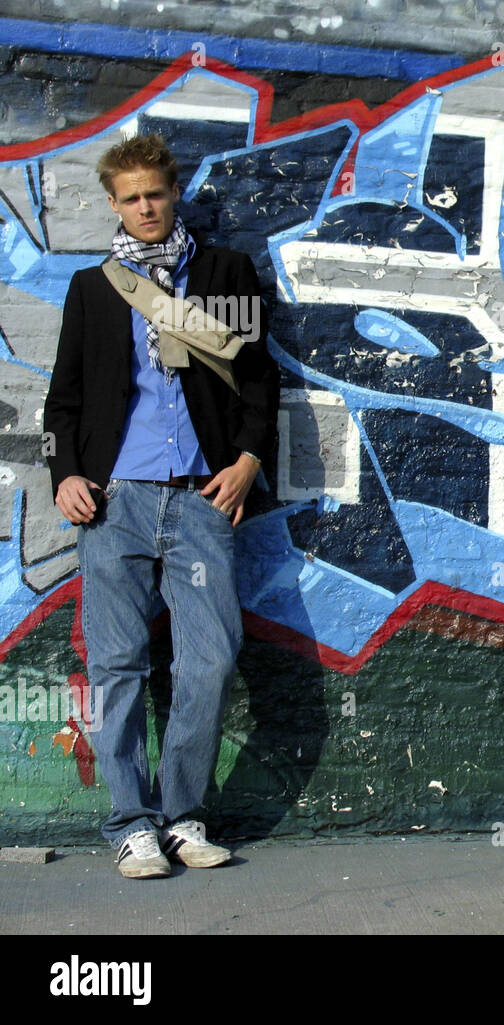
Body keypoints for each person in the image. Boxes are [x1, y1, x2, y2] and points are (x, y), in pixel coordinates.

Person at [44, 134, 279, 878]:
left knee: (211, 658)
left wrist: (247, 461)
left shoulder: (223, 273)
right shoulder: (94, 289)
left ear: (174, 192)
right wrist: (65, 475)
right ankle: (131, 823)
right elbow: (64, 399)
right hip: (114, 502)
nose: (145, 208)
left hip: (202, 497)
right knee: (117, 662)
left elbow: (257, 378)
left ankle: (181, 816)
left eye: (155, 193)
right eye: (131, 198)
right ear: (114, 205)